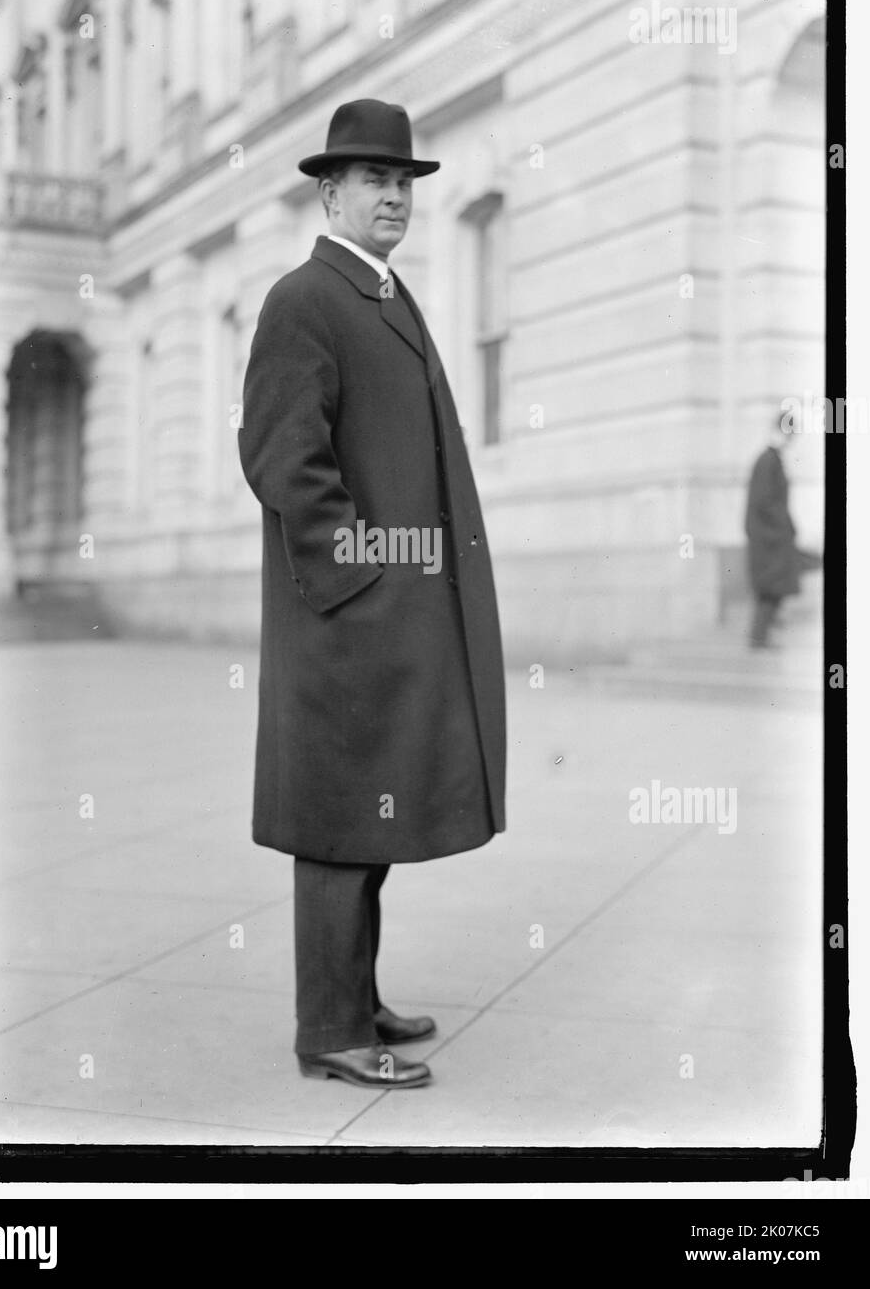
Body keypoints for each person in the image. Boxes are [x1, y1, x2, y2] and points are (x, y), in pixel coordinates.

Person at [238, 99, 506, 1089]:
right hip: (346, 621)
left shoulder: (384, 293)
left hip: (394, 611)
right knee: (338, 826)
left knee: (369, 824)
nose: (394, 195)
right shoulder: (305, 297)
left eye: (403, 180)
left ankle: (358, 995)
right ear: (330, 191)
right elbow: (281, 454)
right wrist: (358, 579)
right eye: (373, 179)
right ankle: (331, 1031)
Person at [744, 408, 804, 649]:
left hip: (773, 537)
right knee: (771, 588)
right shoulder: (768, 460)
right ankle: (759, 637)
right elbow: (765, 502)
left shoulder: (772, 459)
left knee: (773, 587)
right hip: (769, 539)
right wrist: (783, 529)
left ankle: (761, 635)